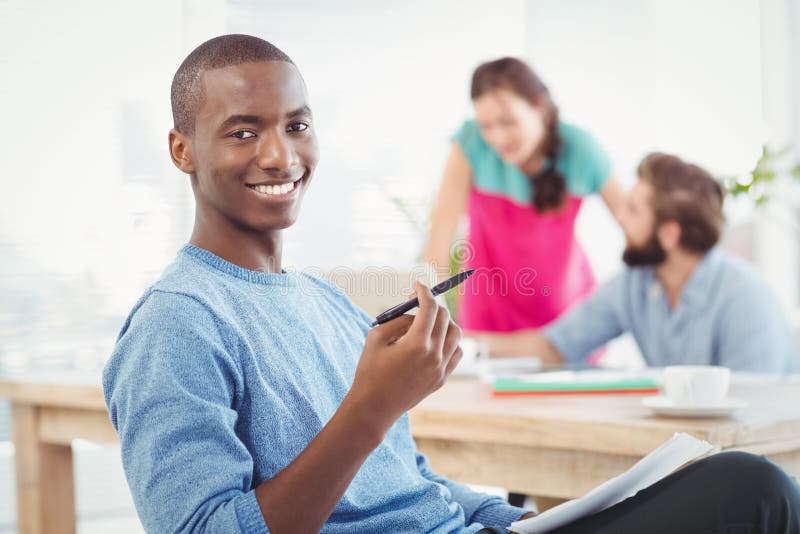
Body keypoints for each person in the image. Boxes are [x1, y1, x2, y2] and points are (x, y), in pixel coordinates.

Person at [103, 35, 800, 533]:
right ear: (181, 149)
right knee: (756, 495)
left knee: (742, 483)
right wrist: (370, 408)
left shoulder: (328, 305)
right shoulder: (178, 323)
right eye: (242, 131)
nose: (280, 153)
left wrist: (513, 518)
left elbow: (412, 484)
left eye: (297, 125)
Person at [480, 153, 797, 374]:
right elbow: (553, 347)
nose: (620, 216)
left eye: (632, 210)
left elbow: (755, 415)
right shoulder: (636, 284)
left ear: (670, 234)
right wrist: (461, 341)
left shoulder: (745, 297)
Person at [424, 57, 625, 334]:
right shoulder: (471, 145)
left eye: (507, 122)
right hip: (487, 312)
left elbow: (634, 226)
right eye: (487, 125)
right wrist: (426, 318)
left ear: (538, 107)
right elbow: (440, 238)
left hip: (564, 315)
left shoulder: (581, 150)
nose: (497, 137)